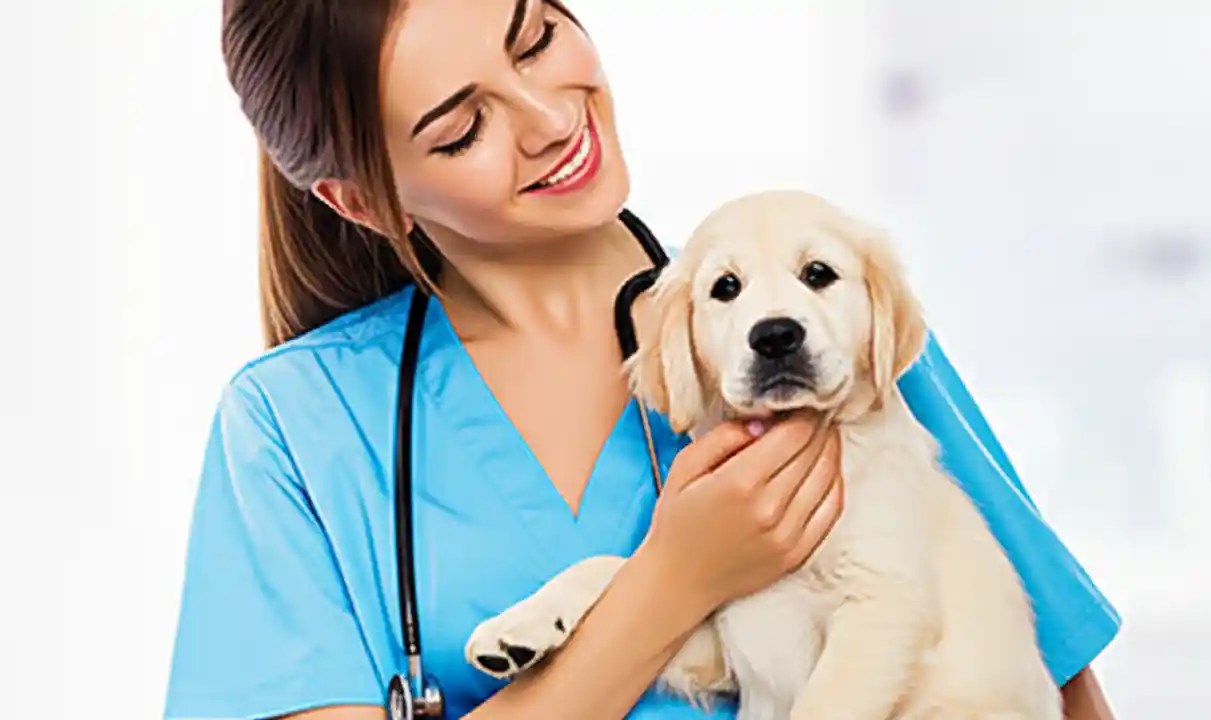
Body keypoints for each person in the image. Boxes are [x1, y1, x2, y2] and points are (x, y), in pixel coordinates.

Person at [163, 1, 1121, 718]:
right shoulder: (296, 429)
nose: (547, 118)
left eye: (534, 36)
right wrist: (676, 580)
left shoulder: (822, 319)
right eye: (462, 127)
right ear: (366, 202)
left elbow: (1053, 686)